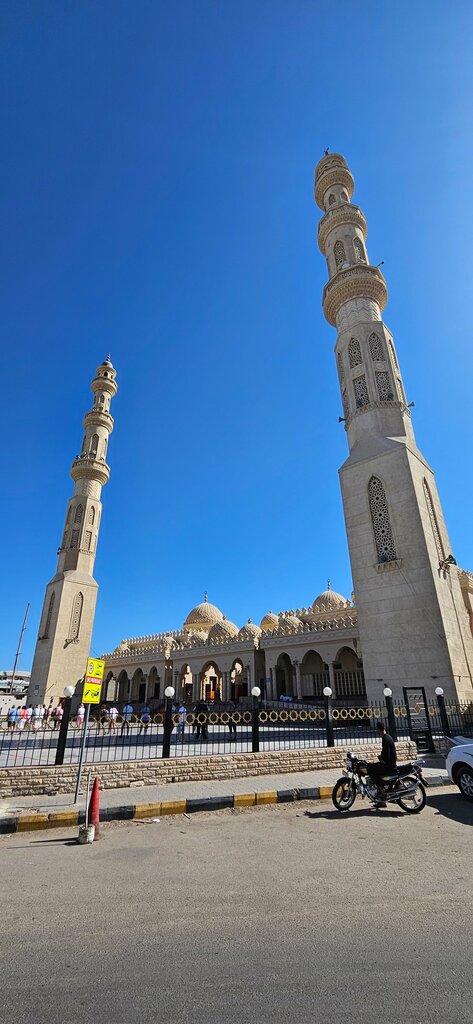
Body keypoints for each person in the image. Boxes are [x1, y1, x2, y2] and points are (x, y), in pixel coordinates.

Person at [367, 720, 397, 807]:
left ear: (378, 730)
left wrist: (380, 758)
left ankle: (382, 792)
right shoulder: (388, 737)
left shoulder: (385, 739)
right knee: (374, 767)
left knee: (370, 769)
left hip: (388, 766)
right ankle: (381, 799)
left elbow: (386, 757)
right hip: (390, 764)